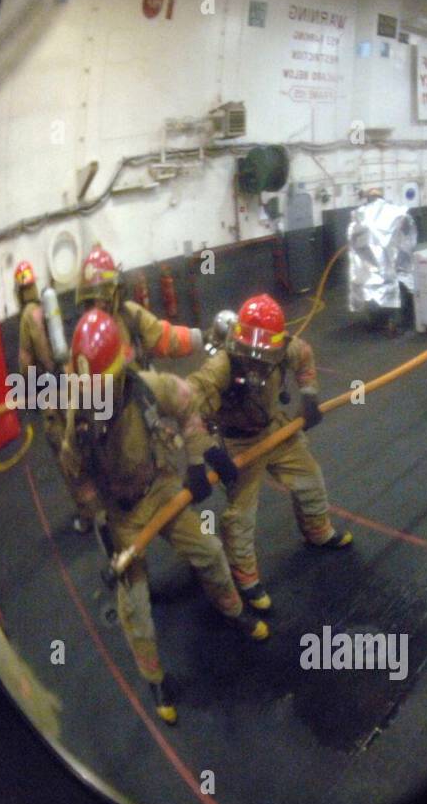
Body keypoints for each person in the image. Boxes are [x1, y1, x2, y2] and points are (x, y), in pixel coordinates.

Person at [60, 308, 267, 726]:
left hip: (161, 491)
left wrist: (200, 455)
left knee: (209, 551)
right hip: (122, 514)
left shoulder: (147, 388)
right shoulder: (78, 420)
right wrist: (99, 521)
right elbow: (76, 471)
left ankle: (232, 609)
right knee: (135, 606)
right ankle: (154, 678)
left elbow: (188, 408)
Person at [190, 294, 352, 614]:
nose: (260, 363)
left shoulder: (282, 349)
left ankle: (318, 531)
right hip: (238, 444)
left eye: (266, 355)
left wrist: (309, 395)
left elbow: (303, 354)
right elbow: (186, 407)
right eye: (254, 357)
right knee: (241, 515)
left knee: (310, 479)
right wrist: (203, 455)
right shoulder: (220, 367)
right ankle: (246, 577)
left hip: (275, 430)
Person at [15, 260, 91, 534]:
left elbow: (26, 362)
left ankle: (86, 513)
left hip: (49, 390)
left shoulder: (26, 317)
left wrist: (29, 390)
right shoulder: (49, 307)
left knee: (64, 452)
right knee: (83, 434)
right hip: (68, 380)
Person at [75, 244, 201, 368]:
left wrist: (195, 338)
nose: (98, 304)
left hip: (138, 384)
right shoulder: (83, 333)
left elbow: (163, 337)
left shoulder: (129, 314)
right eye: (91, 300)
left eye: (103, 296)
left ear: (115, 291)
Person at [347, 187, 416, 336]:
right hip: (392, 265)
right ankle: (397, 322)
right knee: (398, 292)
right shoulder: (395, 211)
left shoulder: (361, 214)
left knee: (374, 295)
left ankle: (377, 321)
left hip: (371, 268)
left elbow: (353, 241)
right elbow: (408, 234)